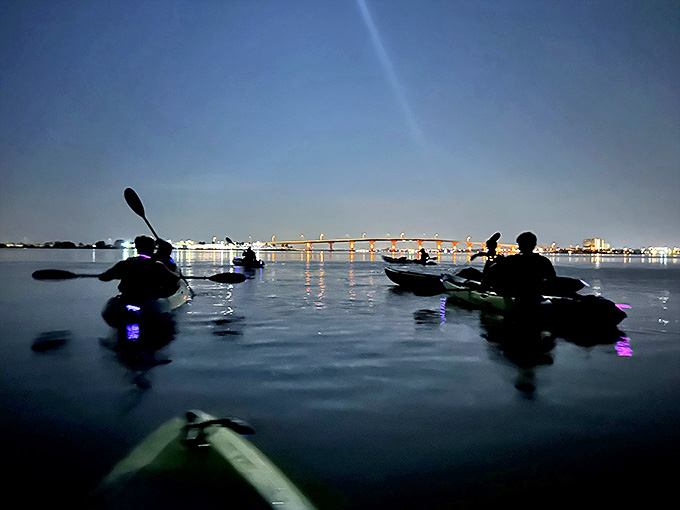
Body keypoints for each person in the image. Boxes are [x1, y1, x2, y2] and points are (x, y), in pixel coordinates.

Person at [480, 231, 556, 304]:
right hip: (534, 294)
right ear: (534, 244)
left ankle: (482, 290)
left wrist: (482, 287)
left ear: (520, 245)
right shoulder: (544, 261)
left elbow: (491, 271)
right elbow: (551, 279)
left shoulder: (512, 260)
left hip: (513, 292)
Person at [99, 236, 180, 302]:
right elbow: (175, 278)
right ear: (153, 248)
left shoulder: (124, 264)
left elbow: (104, 277)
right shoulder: (157, 265)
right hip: (149, 298)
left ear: (137, 247)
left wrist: (117, 275)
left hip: (127, 296)